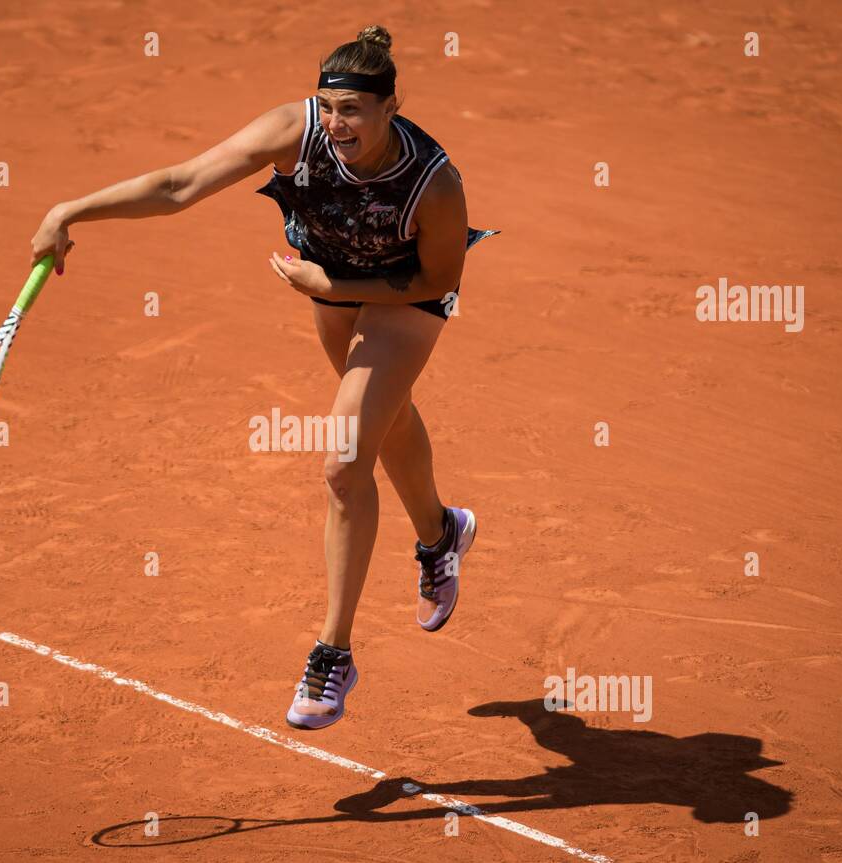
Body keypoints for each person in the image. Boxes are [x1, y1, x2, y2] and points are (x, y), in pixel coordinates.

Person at [30, 24, 497, 730]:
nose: (337, 125)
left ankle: (332, 654)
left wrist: (333, 284)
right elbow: (181, 184)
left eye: (355, 111)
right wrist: (70, 209)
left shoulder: (435, 183)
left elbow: (437, 276)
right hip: (330, 288)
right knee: (381, 414)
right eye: (328, 107)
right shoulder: (295, 131)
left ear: (392, 106)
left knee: (343, 463)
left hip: (402, 295)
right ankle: (440, 533)